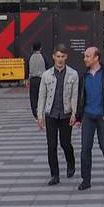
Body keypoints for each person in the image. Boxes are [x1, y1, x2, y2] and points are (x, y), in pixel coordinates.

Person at [72, 45, 104, 189]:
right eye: (85, 56)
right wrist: (78, 117)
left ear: (96, 58)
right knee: (85, 149)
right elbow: (80, 97)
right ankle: (86, 180)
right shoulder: (84, 75)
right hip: (88, 116)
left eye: (88, 56)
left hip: (103, 116)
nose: (85, 59)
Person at [35, 45, 78, 184]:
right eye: (57, 56)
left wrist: (74, 114)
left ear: (66, 57)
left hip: (65, 114)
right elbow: (41, 96)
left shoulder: (73, 74)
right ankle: (55, 175)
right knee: (51, 145)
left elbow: (74, 96)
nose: (60, 59)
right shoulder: (46, 75)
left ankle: (71, 163)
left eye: (62, 56)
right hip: (51, 114)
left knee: (65, 144)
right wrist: (40, 116)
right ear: (53, 56)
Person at [26, 43, 47, 119]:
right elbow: (48, 67)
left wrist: (26, 79)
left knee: (33, 98)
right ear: (41, 48)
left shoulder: (29, 57)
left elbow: (27, 69)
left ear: (32, 48)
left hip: (33, 80)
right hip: (42, 80)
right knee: (42, 96)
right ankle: (42, 112)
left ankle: (36, 114)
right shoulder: (44, 57)